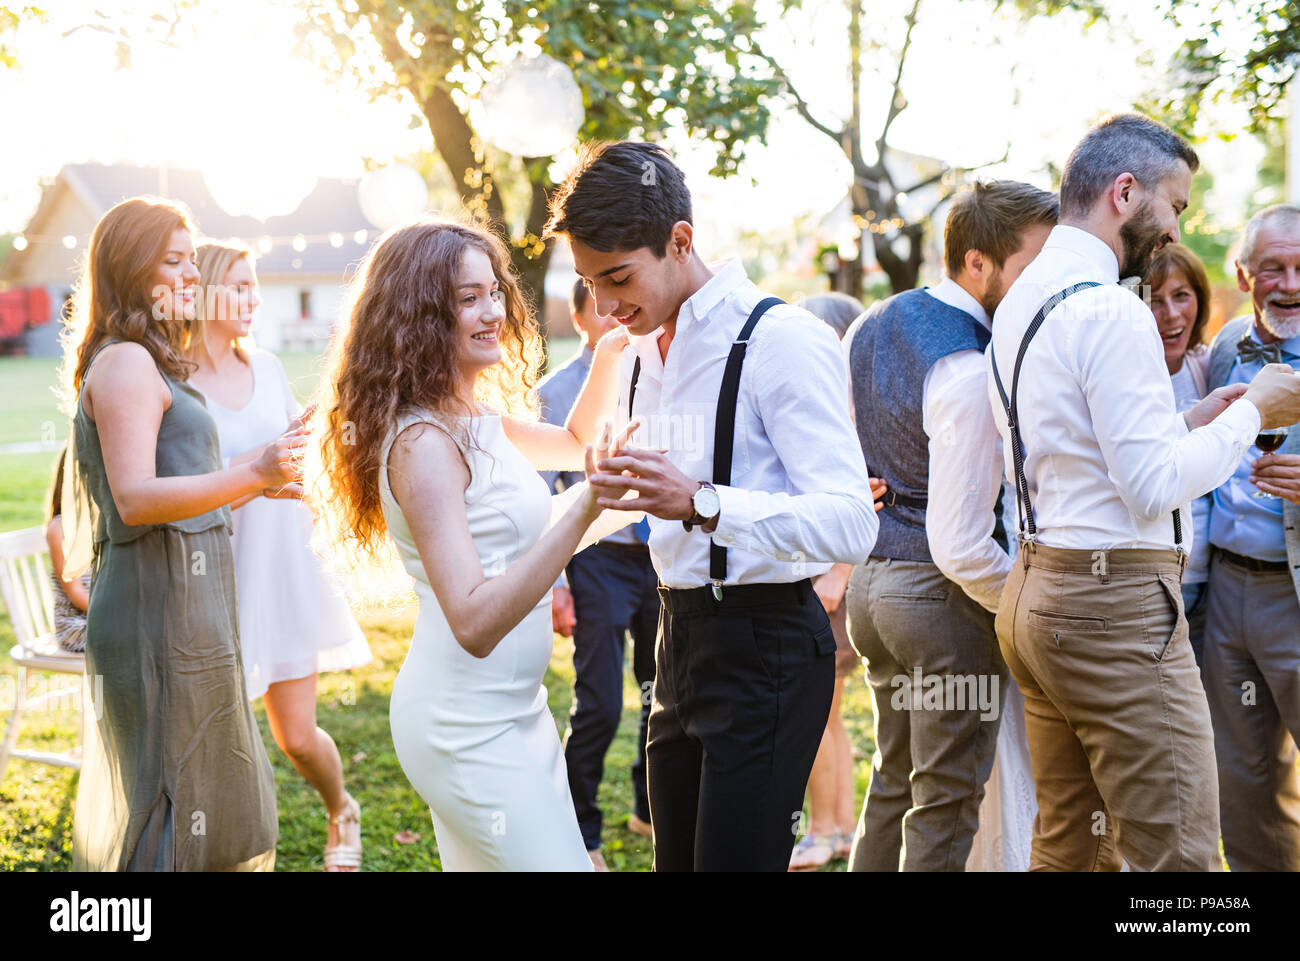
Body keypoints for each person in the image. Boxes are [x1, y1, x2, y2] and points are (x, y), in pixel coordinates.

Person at [546, 141, 880, 872]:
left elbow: (854, 520)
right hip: (678, 640)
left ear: (681, 241)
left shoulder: (780, 339)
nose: (603, 306)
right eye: (587, 283)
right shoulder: (634, 352)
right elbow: (621, 496)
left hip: (769, 644)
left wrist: (703, 501)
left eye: (617, 277)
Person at [987, 113, 1300, 872]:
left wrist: (1192, 418)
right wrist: (1256, 411)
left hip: (1037, 591)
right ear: (1126, 192)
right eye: (1176, 205)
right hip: (1112, 611)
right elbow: (1152, 482)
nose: (1175, 229)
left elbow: (1084, 447)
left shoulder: (1025, 296)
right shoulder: (1112, 307)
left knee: (1071, 842)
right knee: (1180, 853)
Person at [313, 217, 638, 872]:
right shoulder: (422, 444)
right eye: (469, 298)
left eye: (494, 292)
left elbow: (575, 444)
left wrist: (607, 352)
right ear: (419, 316)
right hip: (462, 726)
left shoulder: (470, 417)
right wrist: (585, 512)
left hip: (521, 711)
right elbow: (473, 621)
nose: (493, 311)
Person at [59, 196, 302, 871]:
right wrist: (252, 466)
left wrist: (258, 481)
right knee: (166, 787)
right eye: (175, 261)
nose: (192, 275)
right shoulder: (127, 363)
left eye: (193, 259)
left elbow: (179, 479)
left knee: (195, 774)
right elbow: (134, 499)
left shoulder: (150, 358)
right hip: (154, 605)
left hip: (190, 599)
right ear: (130, 270)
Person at [842, 180, 1057, 872]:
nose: (1041, 286)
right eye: (1030, 268)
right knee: (947, 798)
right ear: (976, 262)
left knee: (894, 780)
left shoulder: (874, 322)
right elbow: (961, 542)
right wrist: (1025, 601)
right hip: (937, 600)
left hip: (872, 590)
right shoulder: (967, 363)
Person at [187, 240, 373, 871]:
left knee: (296, 738)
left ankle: (340, 807)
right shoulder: (172, 380)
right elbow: (185, 482)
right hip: (212, 576)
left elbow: (294, 456)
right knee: (219, 742)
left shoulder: (265, 366)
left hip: (283, 568)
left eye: (254, 285)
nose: (253, 298)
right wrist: (257, 466)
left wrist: (316, 443)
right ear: (205, 291)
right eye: (239, 285)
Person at [537, 279, 657, 871]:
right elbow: (538, 499)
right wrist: (557, 587)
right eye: (603, 310)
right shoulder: (556, 393)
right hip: (598, 561)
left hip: (661, 556)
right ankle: (580, 831)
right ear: (582, 318)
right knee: (602, 702)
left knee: (665, 696)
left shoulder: (657, 373)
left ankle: (648, 806)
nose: (617, 318)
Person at [1201, 204, 1300, 871]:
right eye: (1273, 267)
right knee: (1244, 781)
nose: (1290, 282)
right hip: (1228, 594)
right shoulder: (1226, 347)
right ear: (1243, 274)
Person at [788, 291, 883, 870]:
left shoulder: (852, 423)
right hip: (828, 586)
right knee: (826, 715)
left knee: (813, 716)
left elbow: (864, 507)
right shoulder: (836, 415)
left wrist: (834, 579)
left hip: (831, 590)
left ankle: (824, 828)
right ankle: (840, 827)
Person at [1142, 243, 1216, 665]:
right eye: (1154, 300)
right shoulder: (1124, 375)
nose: (1171, 315)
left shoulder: (1206, 366)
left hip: (1211, 580)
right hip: (1153, 584)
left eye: (1182, 295)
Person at [45, 447, 91, 653]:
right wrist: (118, 614)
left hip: (106, 619)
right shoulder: (60, 528)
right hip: (77, 625)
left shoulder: (104, 523)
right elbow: (76, 594)